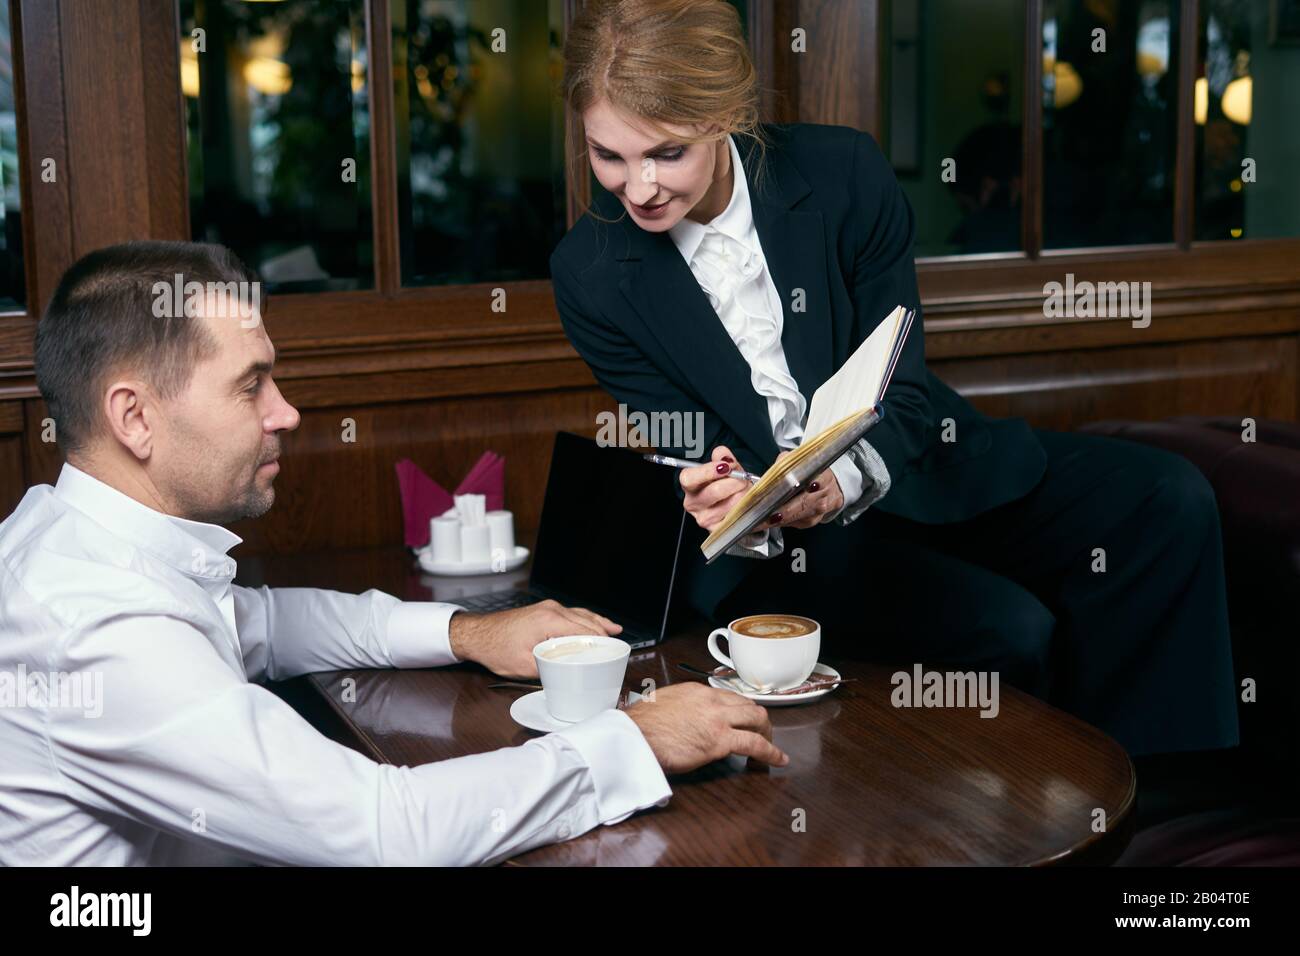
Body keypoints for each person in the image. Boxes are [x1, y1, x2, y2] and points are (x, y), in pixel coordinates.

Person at [550, 0, 1239, 766]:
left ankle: (1165, 803)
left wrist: (841, 480)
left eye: (666, 153)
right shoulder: (588, 275)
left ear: (726, 116)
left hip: (916, 458)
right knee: (1008, 625)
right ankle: (1074, 796)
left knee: (1167, 497)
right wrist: (728, 492)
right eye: (608, 156)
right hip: (793, 548)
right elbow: (696, 447)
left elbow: (903, 389)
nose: (637, 188)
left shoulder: (842, 172)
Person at [0, 240, 787, 866]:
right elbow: (384, 830)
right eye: (252, 386)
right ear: (134, 418)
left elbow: (266, 624)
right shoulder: (98, 627)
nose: (287, 412)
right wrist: (636, 739)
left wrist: (466, 634)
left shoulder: (74, 538)